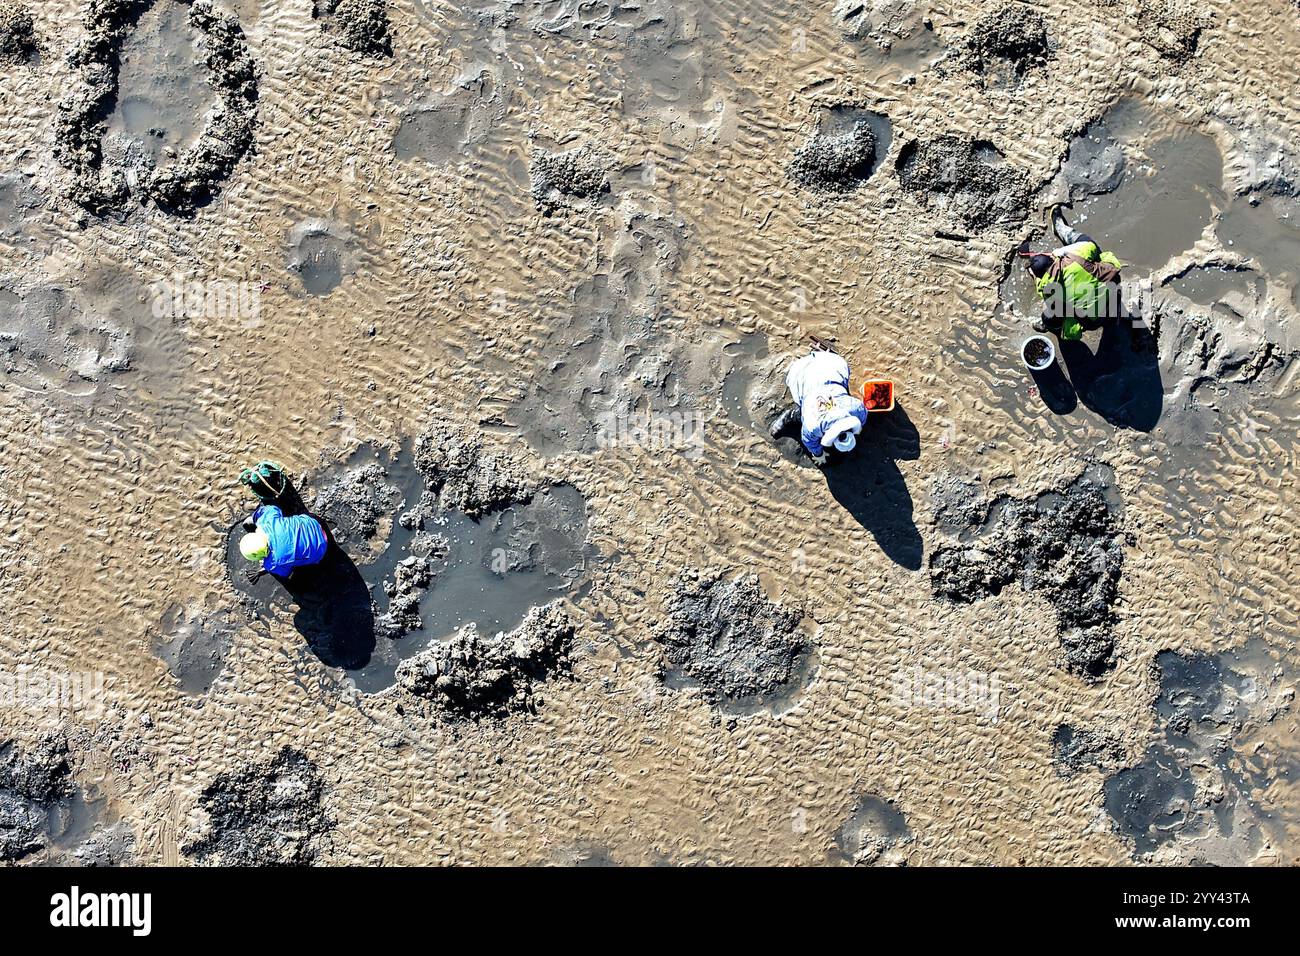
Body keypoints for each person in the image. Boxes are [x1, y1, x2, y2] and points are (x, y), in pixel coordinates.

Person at [1021, 204, 1123, 341]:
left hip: (1094, 321)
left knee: (1051, 316)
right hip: (1114, 292)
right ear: (1052, 258)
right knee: (1089, 245)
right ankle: (1061, 228)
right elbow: (1090, 246)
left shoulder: (1046, 290)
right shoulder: (1073, 258)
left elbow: (1038, 280)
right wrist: (1065, 252)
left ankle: (1053, 327)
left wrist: (1031, 270)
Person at [769, 343, 868, 466]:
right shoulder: (813, 425)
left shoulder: (857, 409)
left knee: (842, 387)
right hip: (805, 378)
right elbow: (808, 441)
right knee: (800, 414)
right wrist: (819, 455)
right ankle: (787, 417)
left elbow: (863, 416)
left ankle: (825, 355)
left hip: (832, 370)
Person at [239, 503, 329, 584]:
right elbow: (272, 509)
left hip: (322, 549)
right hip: (314, 523)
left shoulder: (273, 563)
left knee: (291, 570)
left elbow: (286, 573)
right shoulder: (268, 522)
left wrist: (264, 569)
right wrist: (257, 517)